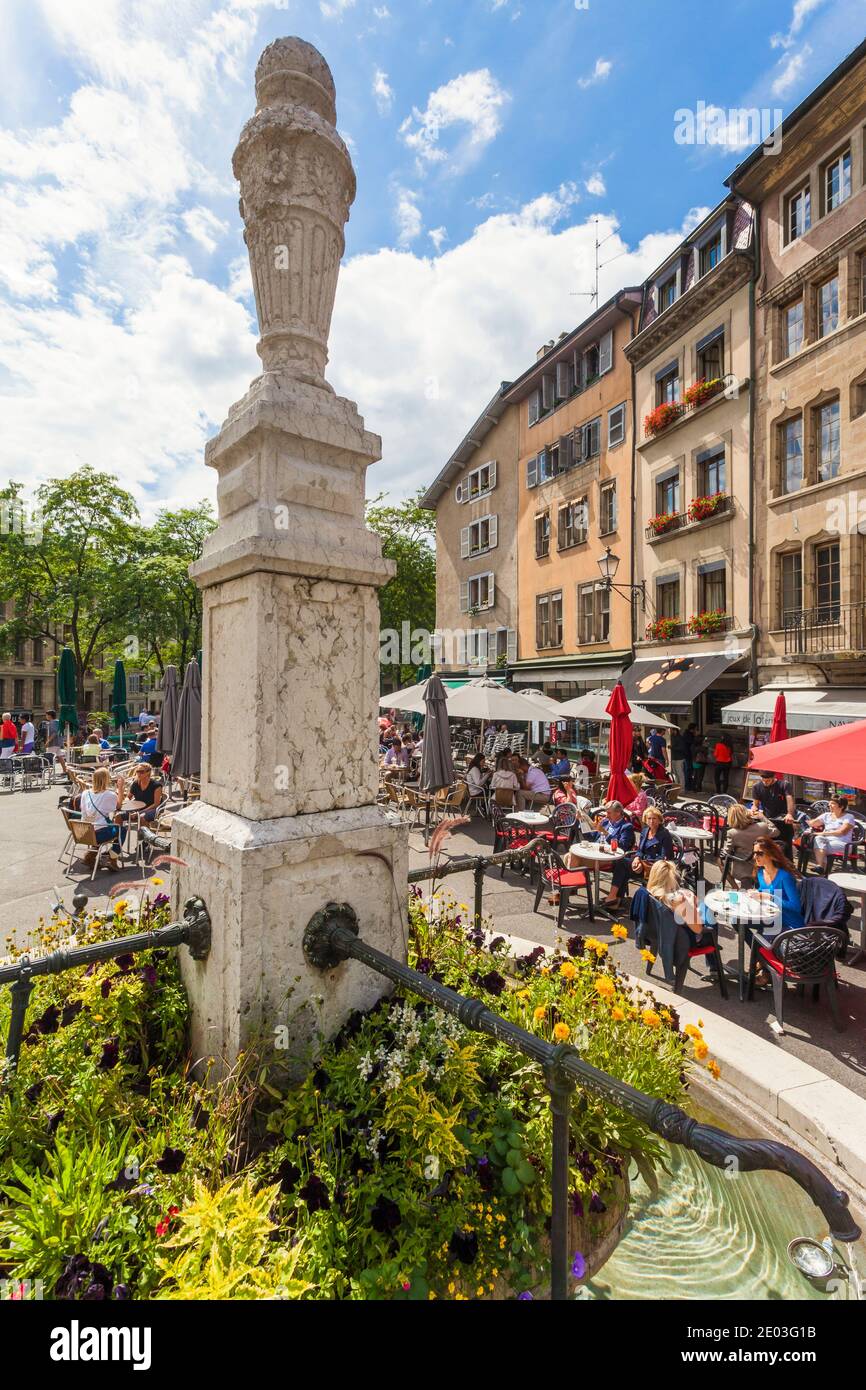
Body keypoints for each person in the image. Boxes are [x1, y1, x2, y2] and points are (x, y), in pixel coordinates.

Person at [748, 839, 805, 987]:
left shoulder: (784, 877)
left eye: (760, 853)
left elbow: (795, 906)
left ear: (772, 855)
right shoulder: (761, 873)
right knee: (736, 921)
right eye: (754, 852)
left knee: (761, 938)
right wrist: (756, 893)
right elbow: (764, 891)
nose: (755, 856)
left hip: (789, 924)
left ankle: (767, 971)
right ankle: (761, 961)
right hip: (772, 919)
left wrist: (771, 897)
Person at [606, 805, 675, 907]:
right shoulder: (645, 831)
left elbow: (665, 858)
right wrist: (637, 858)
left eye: (654, 818)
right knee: (621, 862)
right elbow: (640, 850)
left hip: (656, 868)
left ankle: (616, 899)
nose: (651, 821)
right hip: (642, 864)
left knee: (623, 867)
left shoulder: (664, 834)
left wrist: (642, 864)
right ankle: (614, 897)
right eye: (649, 818)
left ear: (660, 820)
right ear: (645, 820)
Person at [79, 766, 124, 868]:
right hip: (97, 834)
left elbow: (82, 809)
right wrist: (120, 788)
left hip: (84, 833)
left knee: (105, 827)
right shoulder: (109, 795)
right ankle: (112, 859)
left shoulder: (85, 793)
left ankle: (91, 855)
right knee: (122, 830)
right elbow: (119, 806)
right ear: (106, 779)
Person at [721, 804, 777, 887]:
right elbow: (776, 832)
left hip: (743, 868)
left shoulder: (732, 833)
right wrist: (762, 817)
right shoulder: (762, 826)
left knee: (720, 860)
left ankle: (734, 887)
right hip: (761, 865)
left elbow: (726, 852)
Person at [808, 796, 857, 872]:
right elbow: (812, 823)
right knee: (818, 839)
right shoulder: (827, 815)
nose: (829, 805)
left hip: (843, 844)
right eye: (829, 803)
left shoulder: (849, 817)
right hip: (826, 841)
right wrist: (805, 819)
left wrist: (823, 833)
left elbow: (841, 832)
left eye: (833, 803)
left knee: (819, 848)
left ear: (841, 806)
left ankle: (822, 869)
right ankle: (821, 868)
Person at [750, 770, 796, 850]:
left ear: (774, 777)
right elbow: (755, 804)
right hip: (768, 821)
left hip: (783, 820)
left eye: (768, 780)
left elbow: (790, 799)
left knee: (786, 848)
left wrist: (790, 814)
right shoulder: (756, 787)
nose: (765, 783)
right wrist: (754, 808)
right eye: (763, 780)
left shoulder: (784, 785)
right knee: (769, 849)